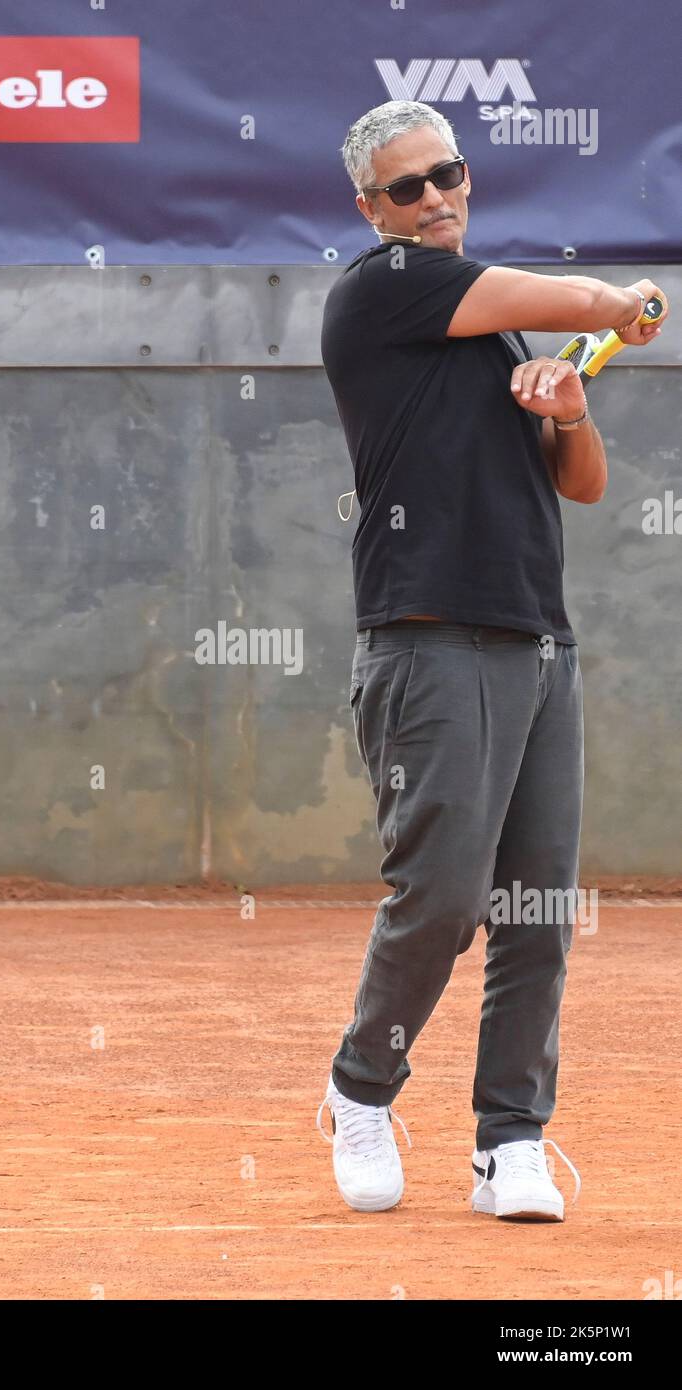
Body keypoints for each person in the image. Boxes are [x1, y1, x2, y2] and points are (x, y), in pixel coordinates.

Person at [316, 99, 668, 1220]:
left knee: (534, 909)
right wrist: (613, 302)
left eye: (446, 175)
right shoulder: (382, 289)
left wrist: (565, 409)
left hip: (536, 641)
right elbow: (555, 295)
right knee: (445, 893)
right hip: (427, 639)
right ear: (371, 210)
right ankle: (359, 1088)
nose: (434, 199)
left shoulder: (493, 338)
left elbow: (580, 483)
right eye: (406, 187)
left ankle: (508, 1140)